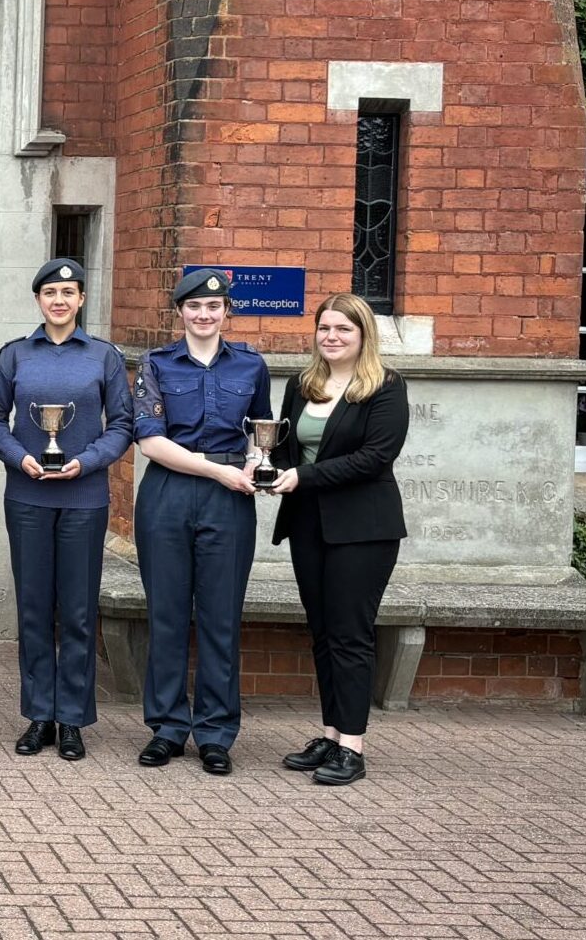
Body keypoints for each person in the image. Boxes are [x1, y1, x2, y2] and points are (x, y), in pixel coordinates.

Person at [0, 258, 133, 761]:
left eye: (69, 292)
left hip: (84, 497)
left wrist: (87, 462)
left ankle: (72, 719)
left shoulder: (104, 357)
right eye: (50, 293)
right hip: (28, 496)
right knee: (35, 610)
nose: (59, 300)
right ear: (38, 301)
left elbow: (123, 426)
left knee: (80, 612)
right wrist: (19, 455)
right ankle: (39, 714)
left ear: (82, 300)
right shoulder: (15, 357)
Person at [131, 266, 271, 775]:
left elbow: (262, 432)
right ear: (181, 313)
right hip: (170, 491)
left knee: (219, 618)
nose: (204, 314)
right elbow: (150, 440)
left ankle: (215, 733)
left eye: (214, 307)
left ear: (227, 312)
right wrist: (219, 471)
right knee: (166, 614)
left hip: (230, 501)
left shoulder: (251, 367)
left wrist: (256, 463)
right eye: (194, 307)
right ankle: (167, 727)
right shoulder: (157, 363)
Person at [266, 292, 409, 786]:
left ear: (363, 335)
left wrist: (304, 478)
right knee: (323, 631)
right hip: (309, 525)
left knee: (351, 633)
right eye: (324, 328)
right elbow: (284, 448)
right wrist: (272, 470)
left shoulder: (386, 387)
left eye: (343, 329)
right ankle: (329, 734)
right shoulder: (302, 384)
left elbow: (375, 458)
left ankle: (353, 745)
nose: (332, 337)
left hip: (363, 529)